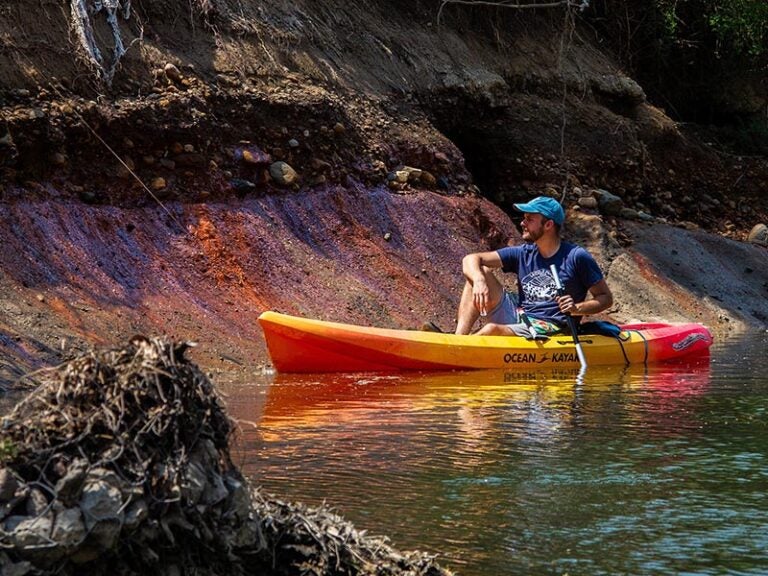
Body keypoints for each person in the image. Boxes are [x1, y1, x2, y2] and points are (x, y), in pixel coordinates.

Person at [455, 196, 613, 337]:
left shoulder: (576, 257)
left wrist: (577, 308)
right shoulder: (523, 253)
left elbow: (605, 298)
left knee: (492, 330)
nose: (522, 223)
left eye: (529, 219)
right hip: (521, 316)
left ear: (548, 224)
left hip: (552, 327)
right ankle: (457, 340)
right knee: (478, 272)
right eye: (524, 218)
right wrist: (479, 281)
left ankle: (458, 354)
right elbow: (471, 258)